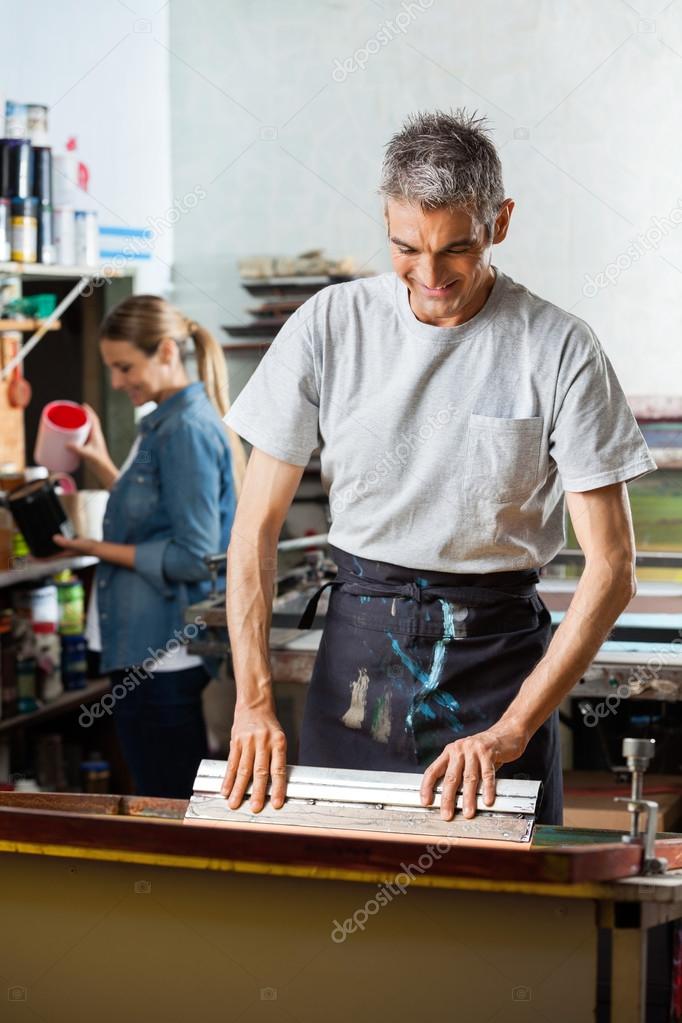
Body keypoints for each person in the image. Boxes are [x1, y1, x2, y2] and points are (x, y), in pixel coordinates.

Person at [219, 109, 657, 825]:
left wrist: (512, 730)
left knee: (506, 914)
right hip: (358, 667)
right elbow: (254, 531)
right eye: (405, 248)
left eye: (456, 248)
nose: (430, 276)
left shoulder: (560, 348)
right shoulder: (328, 326)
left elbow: (613, 568)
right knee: (348, 891)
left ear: (500, 221)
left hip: (498, 669)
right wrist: (253, 700)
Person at [54, 295, 245, 798]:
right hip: (147, 652)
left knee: (168, 808)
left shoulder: (184, 430)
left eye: (124, 367)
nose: (117, 383)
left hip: (163, 657)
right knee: (165, 798)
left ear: (165, 351)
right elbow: (161, 516)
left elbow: (192, 555)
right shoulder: (163, 420)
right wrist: (100, 462)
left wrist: (93, 546)